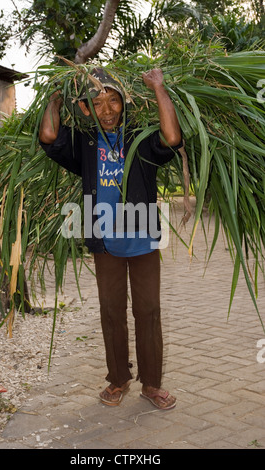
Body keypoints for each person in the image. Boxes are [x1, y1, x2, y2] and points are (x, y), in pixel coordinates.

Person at [39, 67, 182, 410]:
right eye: (97, 103)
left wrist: (159, 88)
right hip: (104, 242)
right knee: (111, 311)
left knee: (148, 311)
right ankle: (118, 380)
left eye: (113, 100)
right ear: (86, 108)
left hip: (144, 237)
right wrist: (56, 95)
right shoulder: (85, 144)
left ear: (124, 102)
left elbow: (172, 138)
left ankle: (151, 384)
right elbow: (47, 135)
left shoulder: (140, 136)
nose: (106, 109)